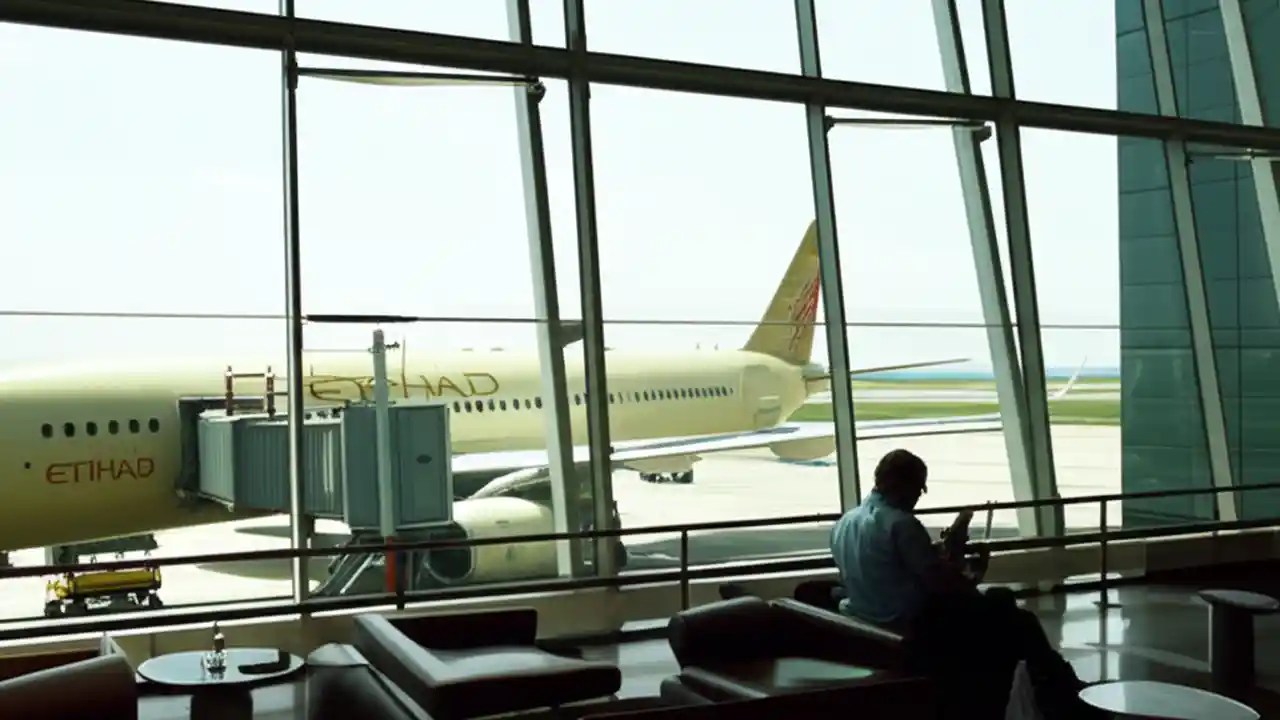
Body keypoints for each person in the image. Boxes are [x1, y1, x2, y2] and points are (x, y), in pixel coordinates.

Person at [829, 448, 1102, 719]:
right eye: (918, 489)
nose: (918, 497)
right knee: (1019, 620)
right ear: (902, 484)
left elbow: (892, 571)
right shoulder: (902, 525)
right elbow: (943, 585)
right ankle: (1066, 693)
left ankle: (1052, 688)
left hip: (867, 618)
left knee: (1001, 607)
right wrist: (971, 573)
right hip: (909, 624)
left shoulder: (845, 522)